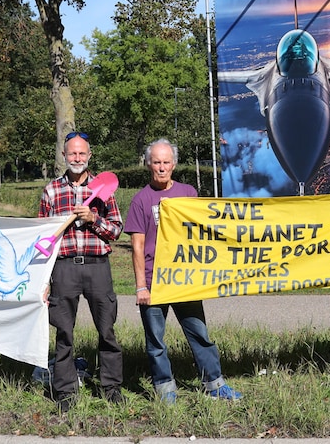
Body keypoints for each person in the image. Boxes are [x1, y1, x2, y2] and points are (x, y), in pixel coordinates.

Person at [126, 139, 242, 403]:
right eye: (156, 162)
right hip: (155, 281)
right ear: (148, 164)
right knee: (155, 341)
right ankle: (165, 389)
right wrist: (141, 286)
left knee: (199, 333)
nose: (162, 167)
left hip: (185, 279)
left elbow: (203, 233)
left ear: (174, 164)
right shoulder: (140, 201)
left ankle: (214, 384)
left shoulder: (188, 193)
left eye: (166, 162)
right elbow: (137, 246)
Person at [38, 131, 124, 411]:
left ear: (89, 156)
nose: (77, 158)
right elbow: (42, 238)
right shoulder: (52, 191)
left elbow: (116, 230)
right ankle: (65, 392)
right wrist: (44, 279)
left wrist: (94, 218)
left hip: (97, 267)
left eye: (82, 153)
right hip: (64, 269)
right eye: (72, 153)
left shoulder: (103, 189)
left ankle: (111, 388)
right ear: (64, 156)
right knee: (64, 333)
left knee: (107, 330)